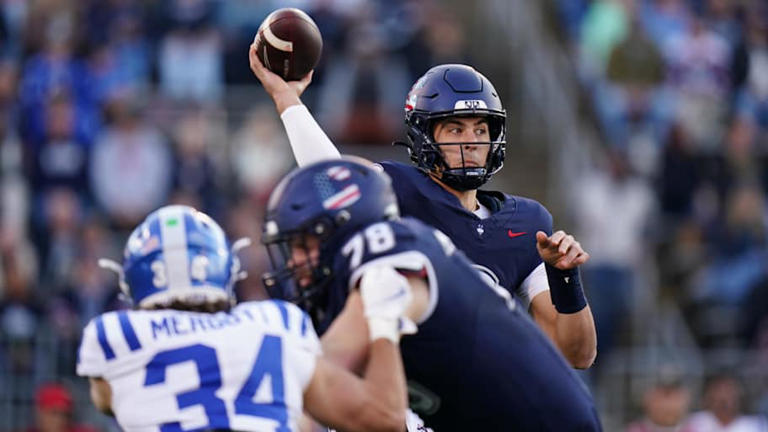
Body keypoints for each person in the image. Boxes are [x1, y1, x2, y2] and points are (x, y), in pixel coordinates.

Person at [249, 46, 597, 369]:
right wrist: (287, 99)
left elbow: (576, 354)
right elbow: (331, 177)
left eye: (481, 128)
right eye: (455, 129)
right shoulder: (398, 191)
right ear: (425, 136)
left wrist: (565, 276)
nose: (472, 141)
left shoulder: (527, 223)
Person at [261, 158, 602, 431]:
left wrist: (254, 366)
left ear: (345, 232)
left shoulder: (389, 264)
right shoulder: (382, 270)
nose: (294, 261)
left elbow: (370, 404)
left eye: (306, 244)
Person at [76, 205, 412, 432]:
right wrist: (383, 320)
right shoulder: (274, 323)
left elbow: (107, 402)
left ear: (131, 282)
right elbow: (385, 417)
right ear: (225, 268)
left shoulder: (114, 335)